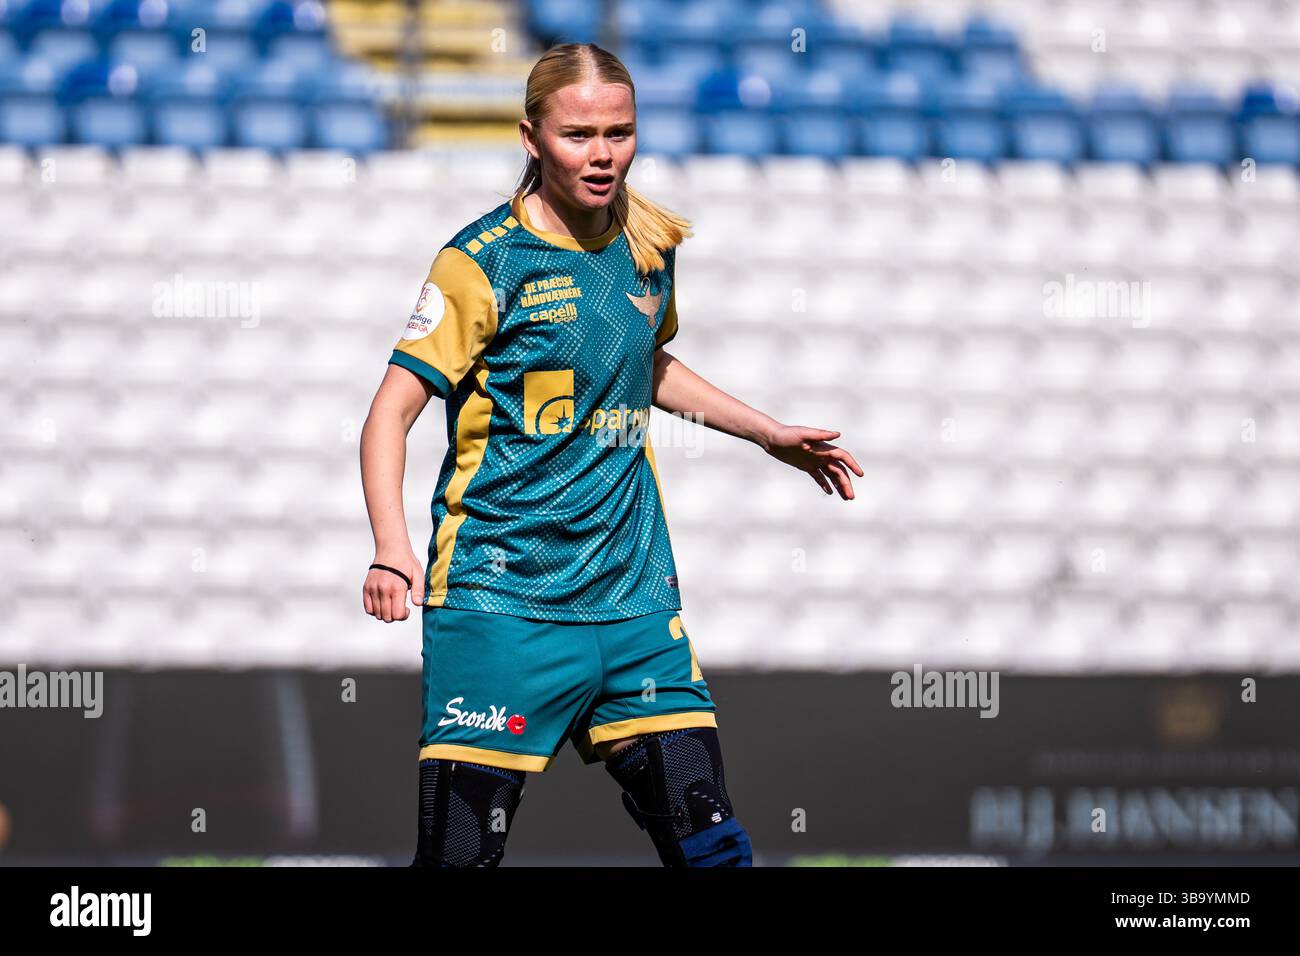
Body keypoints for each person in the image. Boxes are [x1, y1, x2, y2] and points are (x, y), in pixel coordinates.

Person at [359, 42, 863, 867]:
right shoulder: (481, 262)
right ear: (532, 138)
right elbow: (389, 414)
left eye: (620, 133)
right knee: (456, 862)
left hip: (634, 608)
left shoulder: (648, 248)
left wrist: (764, 429)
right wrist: (390, 547)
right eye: (579, 135)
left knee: (715, 853)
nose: (602, 155)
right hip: (502, 604)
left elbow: (644, 364)